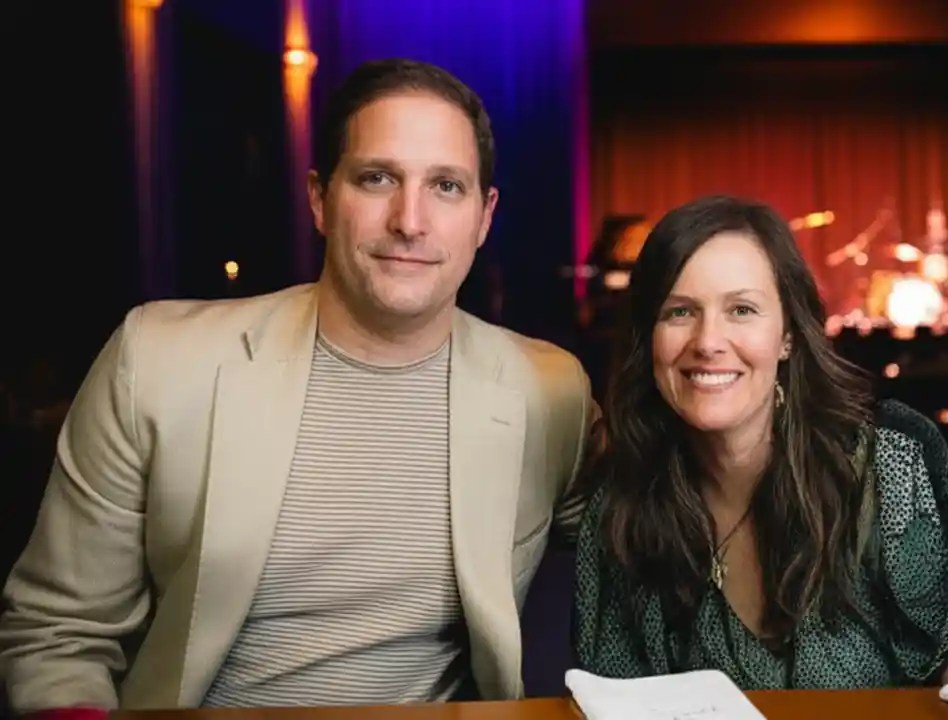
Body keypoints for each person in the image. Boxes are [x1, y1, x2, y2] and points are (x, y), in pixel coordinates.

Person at [0, 59, 594, 712]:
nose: (410, 220)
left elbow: (656, 535)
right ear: (320, 199)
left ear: (484, 218)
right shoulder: (156, 362)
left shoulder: (549, 391)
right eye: (377, 178)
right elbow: (58, 634)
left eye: (445, 187)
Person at [571, 195, 948, 688]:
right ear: (649, 338)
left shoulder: (884, 471)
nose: (708, 341)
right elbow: (616, 699)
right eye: (680, 312)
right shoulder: (618, 513)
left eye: (742, 309)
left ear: (788, 337)